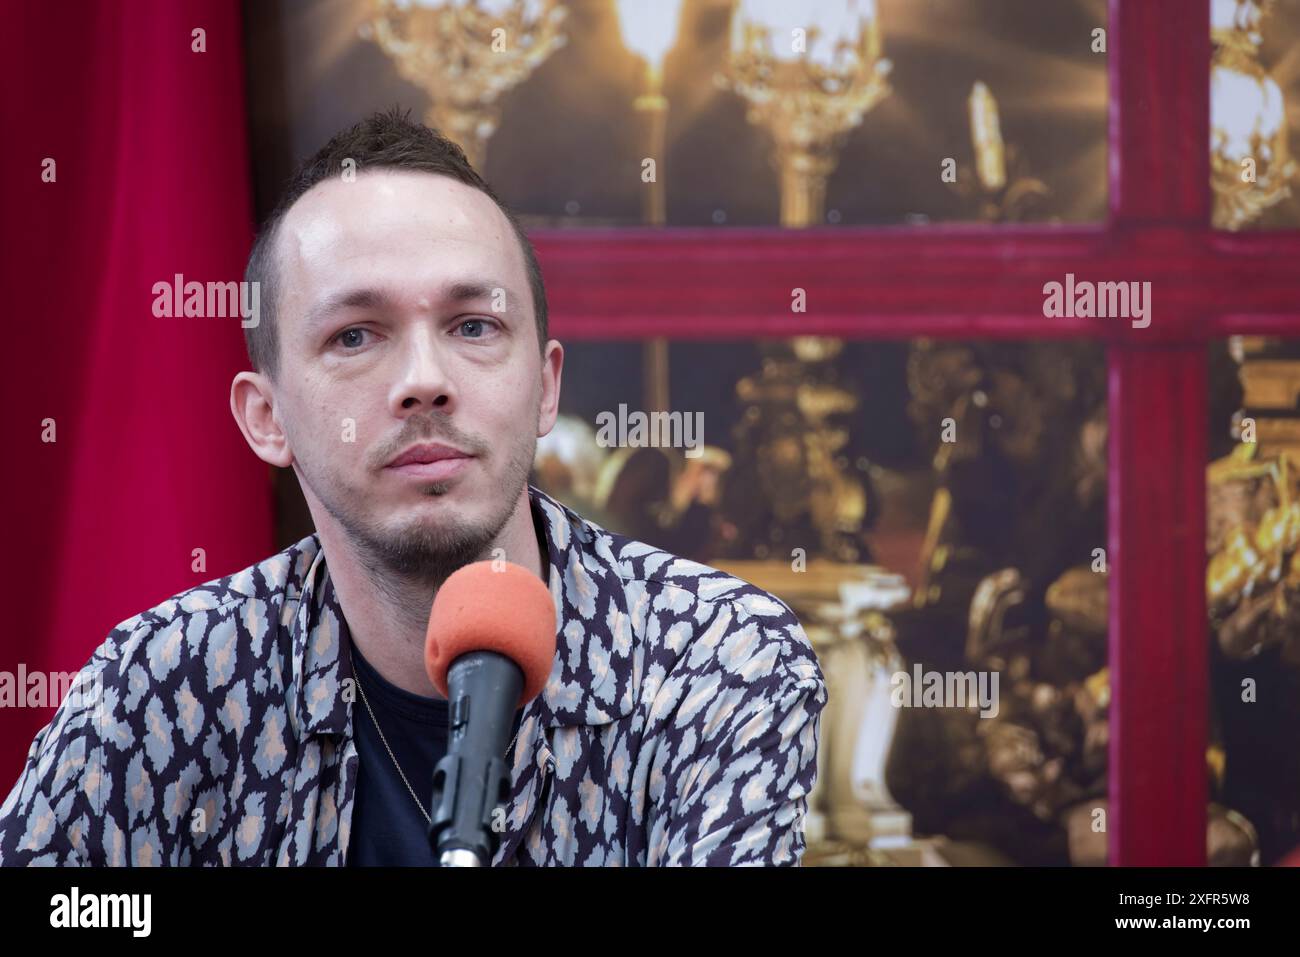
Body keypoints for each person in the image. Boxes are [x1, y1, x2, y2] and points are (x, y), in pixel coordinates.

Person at [0, 108, 826, 866]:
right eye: (355, 334)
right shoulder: (164, 682)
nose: (424, 381)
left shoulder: (715, 661)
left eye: (473, 326)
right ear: (266, 418)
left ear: (545, 387)